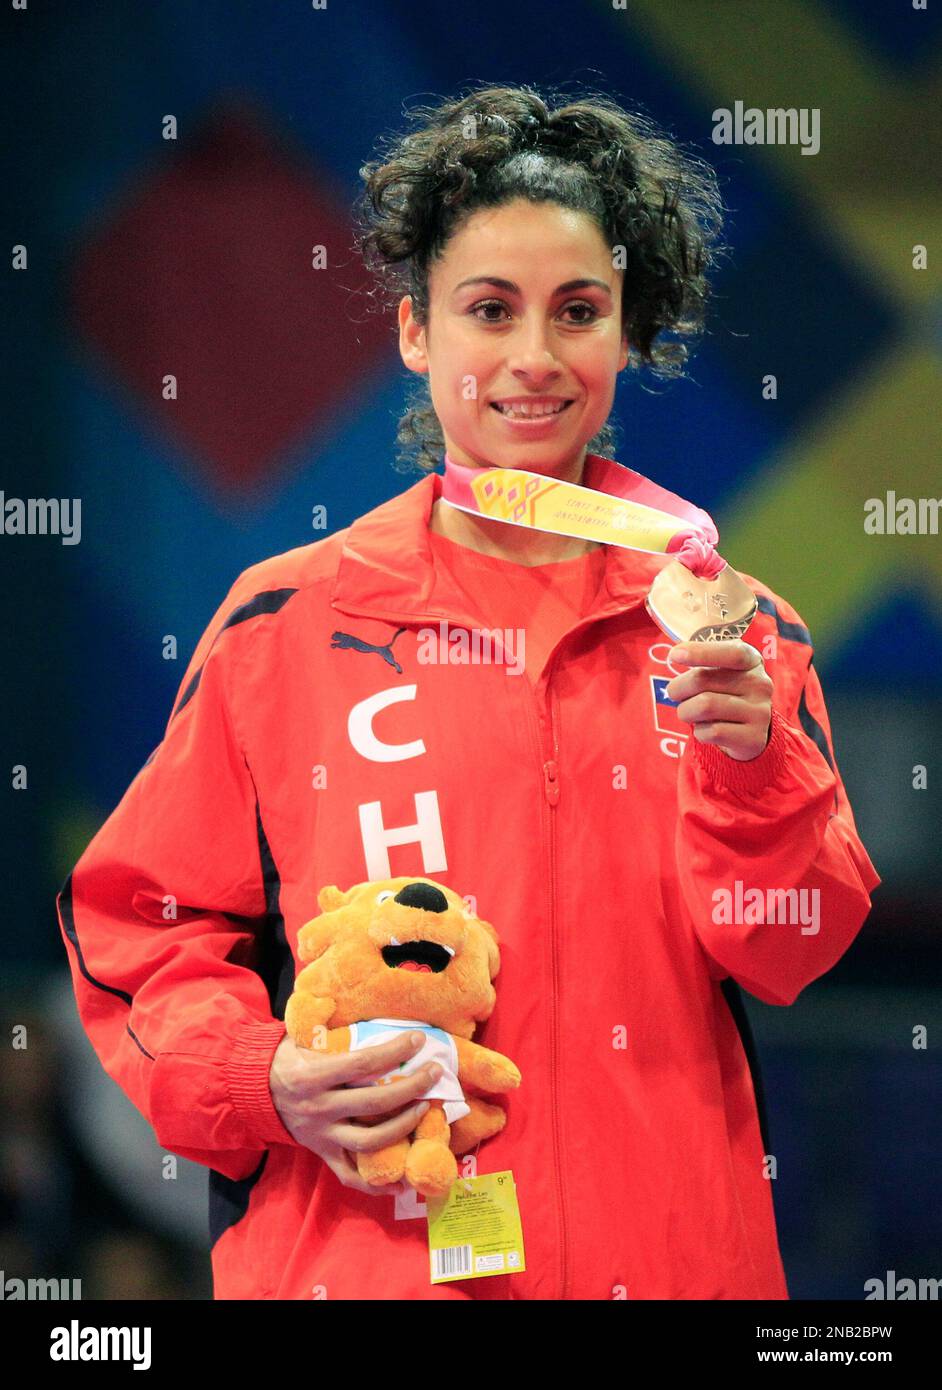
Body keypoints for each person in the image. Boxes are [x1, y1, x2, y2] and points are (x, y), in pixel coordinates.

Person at [56, 83, 880, 1300]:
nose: (534, 359)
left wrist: (756, 765)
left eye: (579, 312)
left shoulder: (733, 633)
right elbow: (142, 933)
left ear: (626, 332)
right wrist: (258, 1079)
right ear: (414, 331)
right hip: (365, 1264)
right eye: (488, 310)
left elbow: (789, 951)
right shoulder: (286, 624)